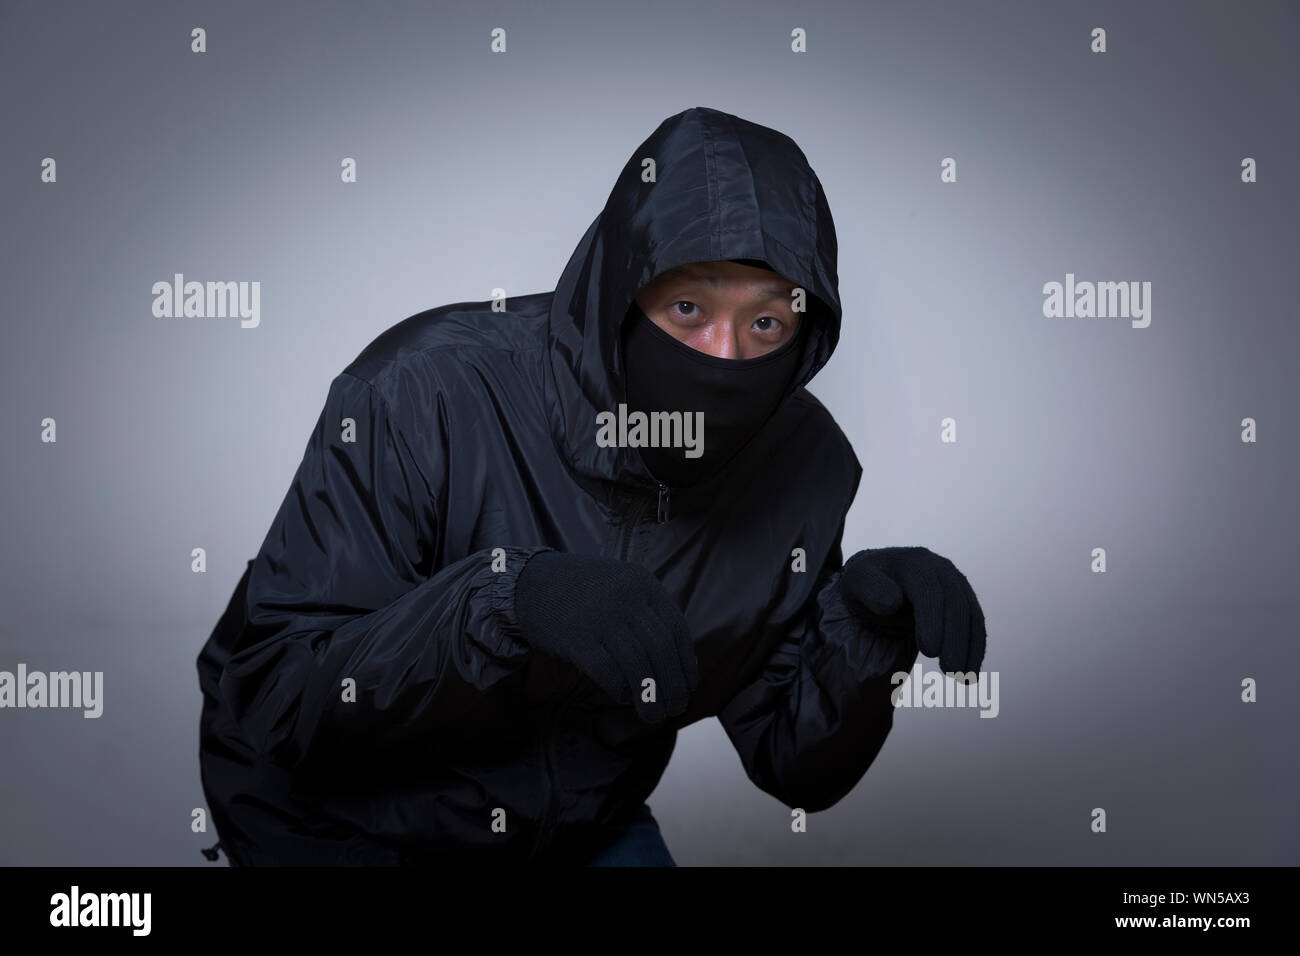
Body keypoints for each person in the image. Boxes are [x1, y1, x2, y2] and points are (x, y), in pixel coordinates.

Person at [195, 105, 987, 867]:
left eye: (767, 324)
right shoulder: (421, 390)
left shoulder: (804, 465)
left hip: (574, 821)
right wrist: (508, 601)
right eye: (688, 306)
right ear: (620, 292)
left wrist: (860, 635)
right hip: (338, 820)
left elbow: (794, 761)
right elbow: (281, 692)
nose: (727, 354)